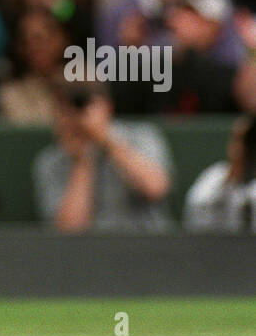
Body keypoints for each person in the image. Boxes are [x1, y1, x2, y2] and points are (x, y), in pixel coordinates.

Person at [33, 83, 173, 232]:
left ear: (107, 106)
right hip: (87, 251)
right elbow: (69, 230)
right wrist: (82, 161)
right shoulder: (50, 160)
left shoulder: (141, 136)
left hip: (147, 244)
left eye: (82, 105)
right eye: (65, 108)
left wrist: (105, 140)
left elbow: (156, 188)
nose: (75, 115)